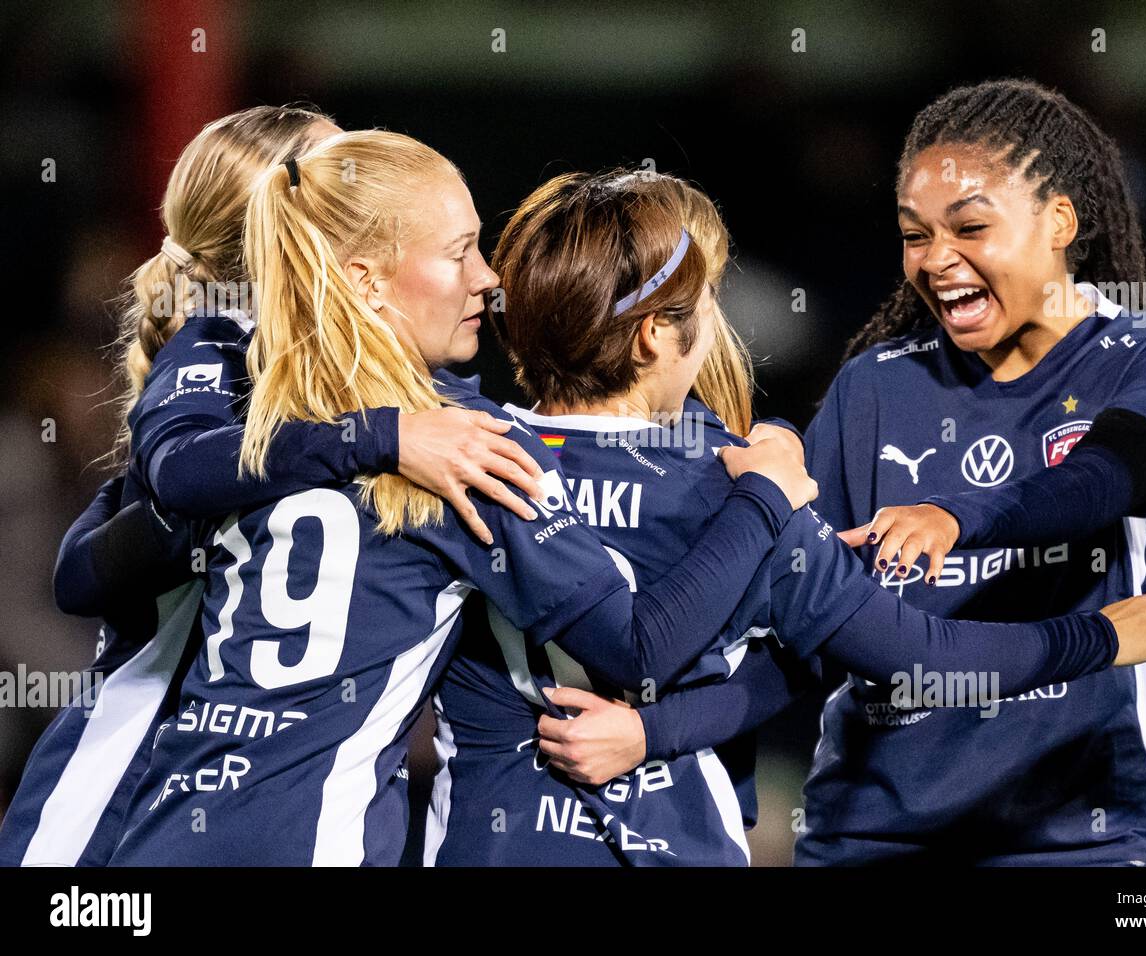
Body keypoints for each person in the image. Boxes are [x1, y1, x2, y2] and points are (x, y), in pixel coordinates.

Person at [424, 168, 1146, 866]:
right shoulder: (744, 484)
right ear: (653, 334)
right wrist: (1105, 636)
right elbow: (923, 658)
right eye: (704, 300)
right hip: (676, 844)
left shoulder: (451, 453)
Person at [107, 130, 815, 866]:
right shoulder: (465, 448)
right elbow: (640, 648)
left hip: (161, 830)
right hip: (314, 845)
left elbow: (88, 567)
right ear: (366, 280)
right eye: (461, 252)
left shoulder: (243, 407)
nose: (487, 279)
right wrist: (763, 493)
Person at [0, 106, 542, 867]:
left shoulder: (394, 383)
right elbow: (92, 561)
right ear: (279, 226)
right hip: (122, 788)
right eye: (332, 180)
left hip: (259, 808)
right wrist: (377, 437)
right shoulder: (220, 351)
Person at [798, 79, 1146, 866]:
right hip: (870, 837)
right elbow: (798, 618)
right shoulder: (873, 387)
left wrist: (959, 517)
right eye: (914, 235)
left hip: (1077, 836)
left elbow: (1104, 479)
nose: (936, 261)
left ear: (1059, 221)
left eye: (969, 227)